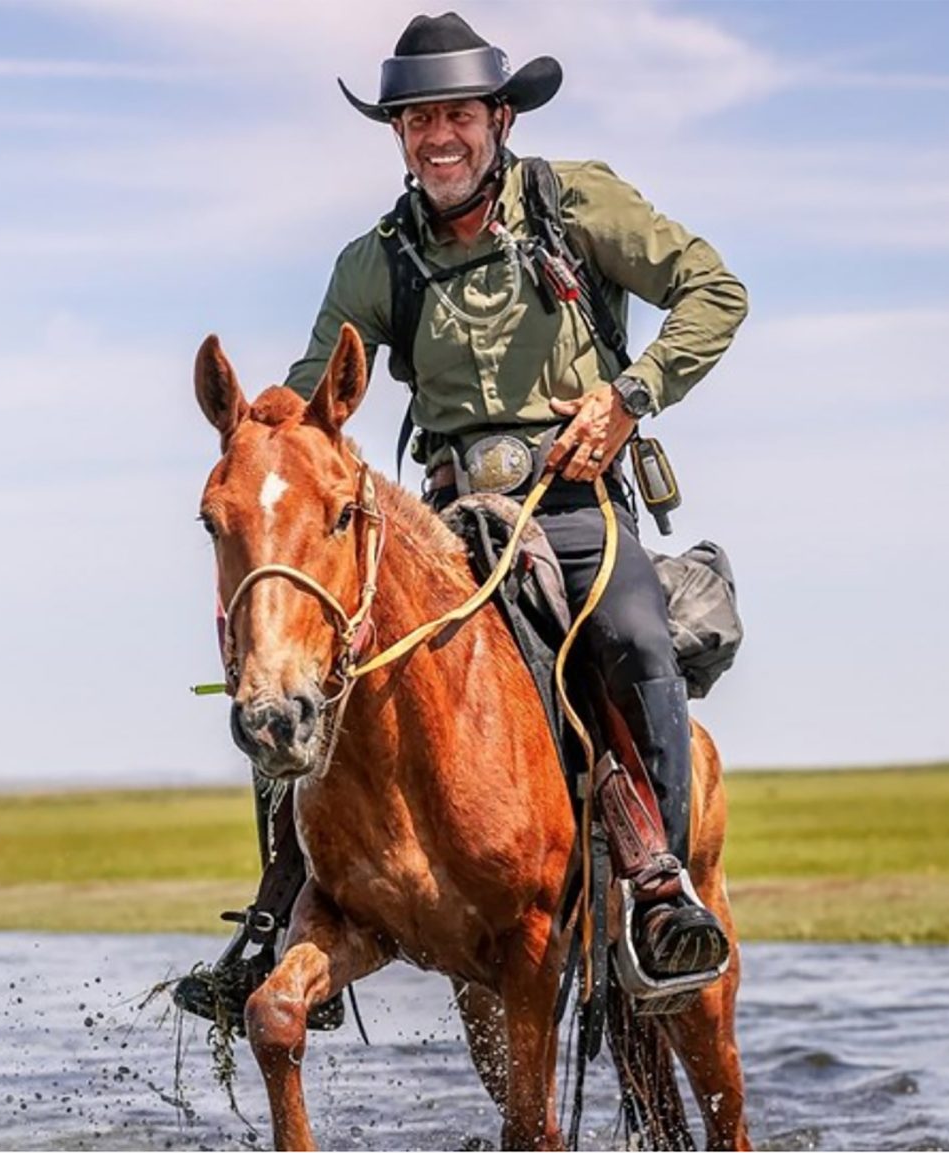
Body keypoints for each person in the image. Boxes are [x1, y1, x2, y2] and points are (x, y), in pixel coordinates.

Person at [176, 11, 747, 1029]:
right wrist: (259, 447)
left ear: (496, 118)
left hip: (573, 501)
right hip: (440, 519)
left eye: (453, 115)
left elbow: (712, 289)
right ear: (397, 135)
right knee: (294, 665)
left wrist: (627, 397)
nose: (435, 136)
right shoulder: (377, 261)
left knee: (628, 633)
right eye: (413, 120)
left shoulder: (575, 203)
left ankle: (659, 888)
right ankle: (275, 913)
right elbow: (310, 409)